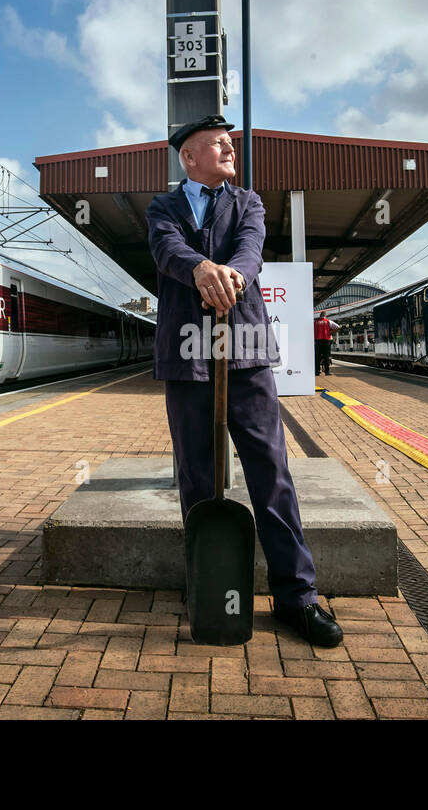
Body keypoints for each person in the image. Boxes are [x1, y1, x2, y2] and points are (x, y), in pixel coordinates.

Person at [146, 114, 343, 647]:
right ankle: (207, 586)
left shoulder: (249, 201)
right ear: (189, 157)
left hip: (246, 355)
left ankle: (296, 598)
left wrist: (229, 271)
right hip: (188, 358)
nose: (229, 148)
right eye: (217, 143)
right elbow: (167, 249)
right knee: (197, 477)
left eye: (230, 142)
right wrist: (197, 268)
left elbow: (251, 250)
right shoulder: (162, 208)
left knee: (271, 471)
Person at [314, 311, 339, 375]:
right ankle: (327, 372)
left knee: (317, 357)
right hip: (327, 340)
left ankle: (317, 371)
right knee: (327, 356)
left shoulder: (315, 322)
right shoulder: (328, 321)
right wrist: (330, 332)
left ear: (320, 315)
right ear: (325, 315)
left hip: (318, 340)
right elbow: (338, 327)